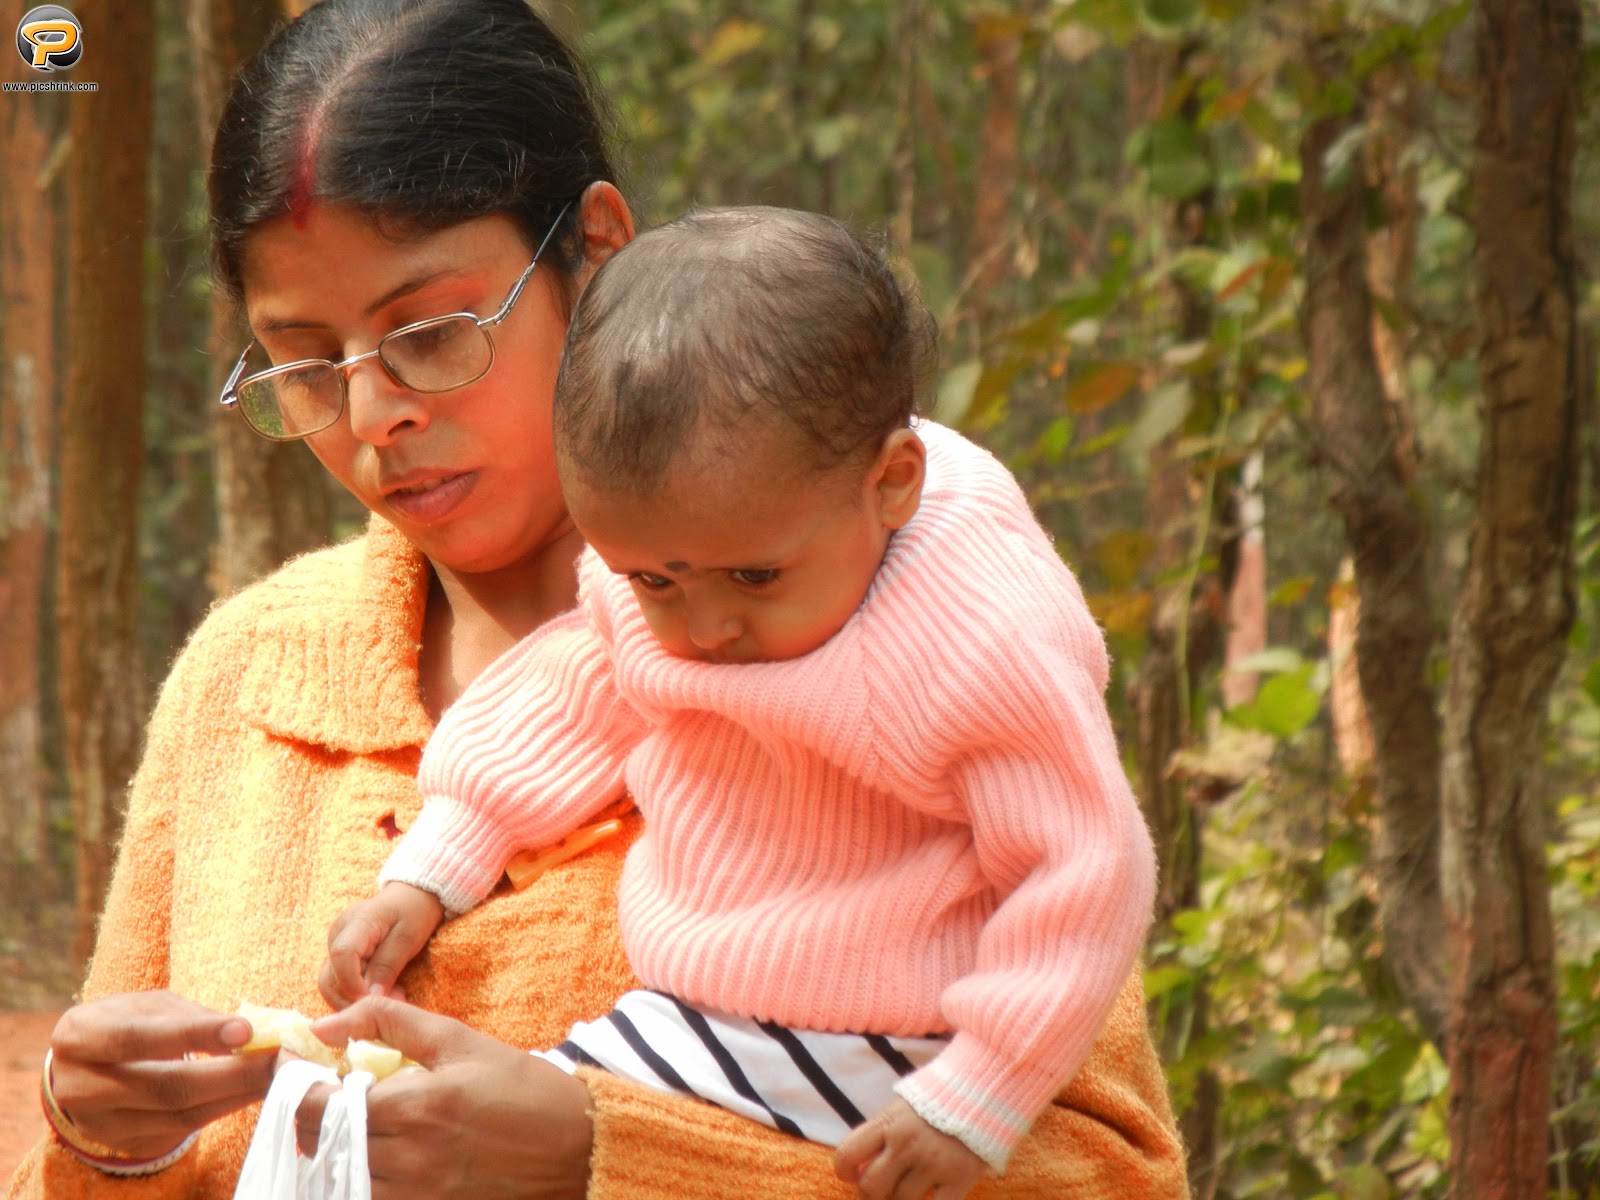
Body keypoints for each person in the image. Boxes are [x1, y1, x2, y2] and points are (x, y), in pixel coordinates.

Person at [7, 1, 1189, 1197]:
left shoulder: (893, 622)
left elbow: (1104, 1172)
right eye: (307, 363)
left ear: (599, 248)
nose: (374, 419)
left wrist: (602, 1159)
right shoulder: (247, 681)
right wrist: (104, 1135)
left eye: (431, 332)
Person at [324, 206, 1158, 1200]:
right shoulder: (700, 551)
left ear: (891, 482)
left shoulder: (976, 640)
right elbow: (584, 682)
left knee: (469, 1161)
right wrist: (437, 865)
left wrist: (976, 1094)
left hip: (885, 1032)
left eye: (754, 579)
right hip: (701, 1004)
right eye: (652, 582)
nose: (704, 627)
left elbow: (1081, 867)